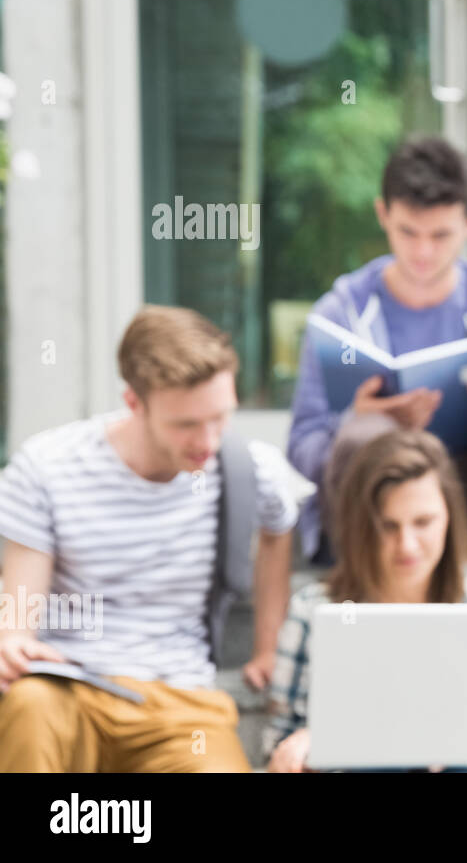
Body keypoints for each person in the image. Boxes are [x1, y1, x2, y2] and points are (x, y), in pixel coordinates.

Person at [0, 306, 301, 772]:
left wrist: (267, 646)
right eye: (185, 424)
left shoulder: (249, 469)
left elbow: (278, 529)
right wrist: (11, 640)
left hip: (181, 701)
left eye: (220, 417)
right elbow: (19, 612)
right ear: (134, 402)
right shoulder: (47, 468)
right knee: (28, 707)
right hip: (68, 688)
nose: (208, 439)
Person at [287, 135, 467, 593]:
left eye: (441, 235)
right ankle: (369, 602)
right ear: (383, 215)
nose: (422, 253)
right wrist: (357, 420)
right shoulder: (341, 313)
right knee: (361, 436)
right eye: (407, 233)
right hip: (381, 503)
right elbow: (302, 444)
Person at [266, 428, 467, 773]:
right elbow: (279, 739)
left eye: (423, 522)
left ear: (449, 517)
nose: (407, 546)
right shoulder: (313, 611)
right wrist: (307, 744)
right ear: (363, 528)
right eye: (388, 526)